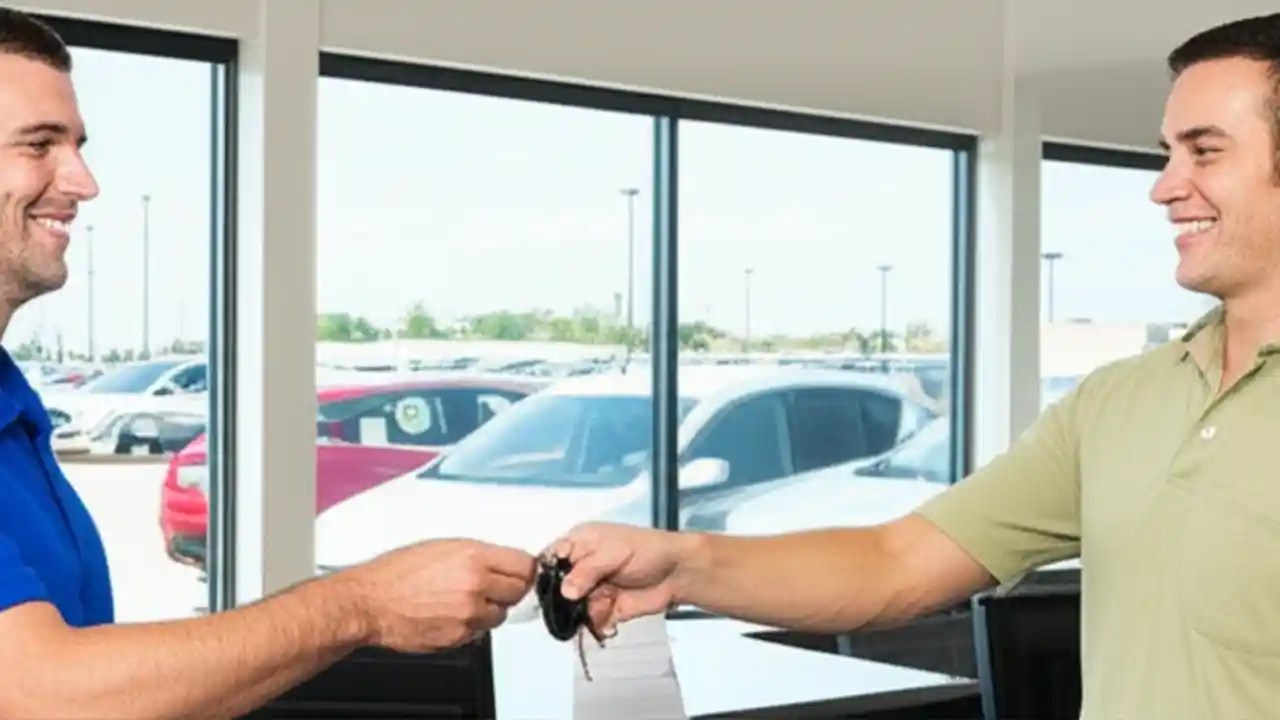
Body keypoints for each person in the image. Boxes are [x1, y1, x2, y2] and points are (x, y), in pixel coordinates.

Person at [550, 11, 1280, 719]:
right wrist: (682, 567)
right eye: (1166, 152)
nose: (1163, 185)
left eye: (1204, 151)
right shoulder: (1119, 402)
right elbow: (894, 561)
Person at [0, 10, 536, 718]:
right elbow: (41, 694)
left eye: (78, 145)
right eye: (40, 145)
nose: (84, 181)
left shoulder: (15, 401)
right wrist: (362, 603)